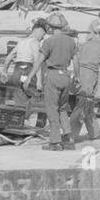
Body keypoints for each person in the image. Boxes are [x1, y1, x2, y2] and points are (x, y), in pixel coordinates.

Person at [25, 11, 77, 151]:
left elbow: (38, 62)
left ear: (50, 27)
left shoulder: (48, 42)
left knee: (52, 109)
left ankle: (55, 142)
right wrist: (76, 77)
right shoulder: (71, 41)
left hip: (53, 76)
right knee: (62, 108)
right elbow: (76, 61)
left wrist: (30, 77)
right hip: (66, 76)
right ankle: (68, 138)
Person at [3, 18, 47, 124]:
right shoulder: (34, 42)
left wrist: (4, 71)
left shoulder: (21, 42)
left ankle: (17, 122)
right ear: (39, 30)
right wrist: (39, 81)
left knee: (20, 99)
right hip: (28, 70)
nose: (43, 37)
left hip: (17, 72)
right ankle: (33, 121)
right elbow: (37, 62)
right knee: (39, 96)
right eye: (43, 34)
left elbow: (9, 57)